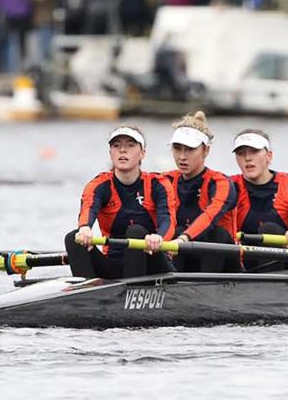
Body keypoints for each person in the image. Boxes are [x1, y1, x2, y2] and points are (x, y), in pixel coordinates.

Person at [65, 125, 176, 280]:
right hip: (114, 265)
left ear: (142, 153)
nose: (123, 151)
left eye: (130, 145)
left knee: (135, 231)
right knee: (73, 238)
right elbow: (89, 207)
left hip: (153, 263)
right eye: (117, 146)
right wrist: (84, 228)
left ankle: (132, 292)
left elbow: (168, 219)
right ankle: (85, 297)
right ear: (111, 153)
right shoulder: (99, 185)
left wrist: (160, 238)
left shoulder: (158, 184)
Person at [162, 111, 239, 272]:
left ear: (205, 151)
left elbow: (209, 217)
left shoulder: (221, 183)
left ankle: (203, 290)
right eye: (177, 148)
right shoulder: (165, 180)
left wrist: (183, 239)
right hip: (182, 256)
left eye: (190, 149)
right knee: (174, 231)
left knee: (217, 234)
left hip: (222, 263)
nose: (182, 156)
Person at [228, 129, 288, 248]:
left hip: (283, 260)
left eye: (254, 151)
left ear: (269, 155)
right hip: (242, 260)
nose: (247, 158)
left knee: (269, 229)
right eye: (241, 153)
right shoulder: (230, 186)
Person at [28, 0, 59, 66]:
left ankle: (48, 69)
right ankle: (41, 69)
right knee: (38, 48)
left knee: (47, 47)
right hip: (37, 20)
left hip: (47, 19)